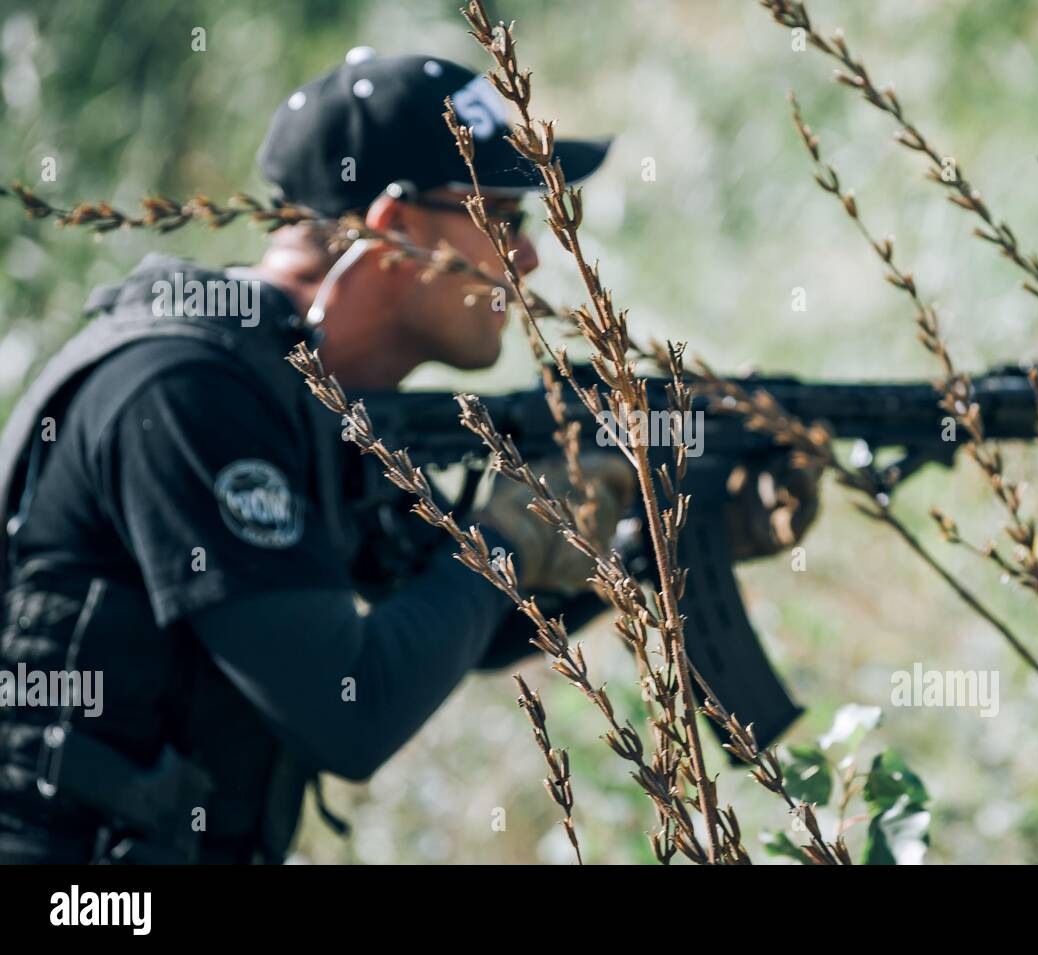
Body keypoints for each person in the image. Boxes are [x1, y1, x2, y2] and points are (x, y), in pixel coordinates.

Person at [0, 49, 819, 864]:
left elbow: (463, 625)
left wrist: (658, 534)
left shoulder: (297, 388)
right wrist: (508, 533)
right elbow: (349, 712)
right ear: (390, 232)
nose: (530, 256)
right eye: (503, 217)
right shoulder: (187, 394)